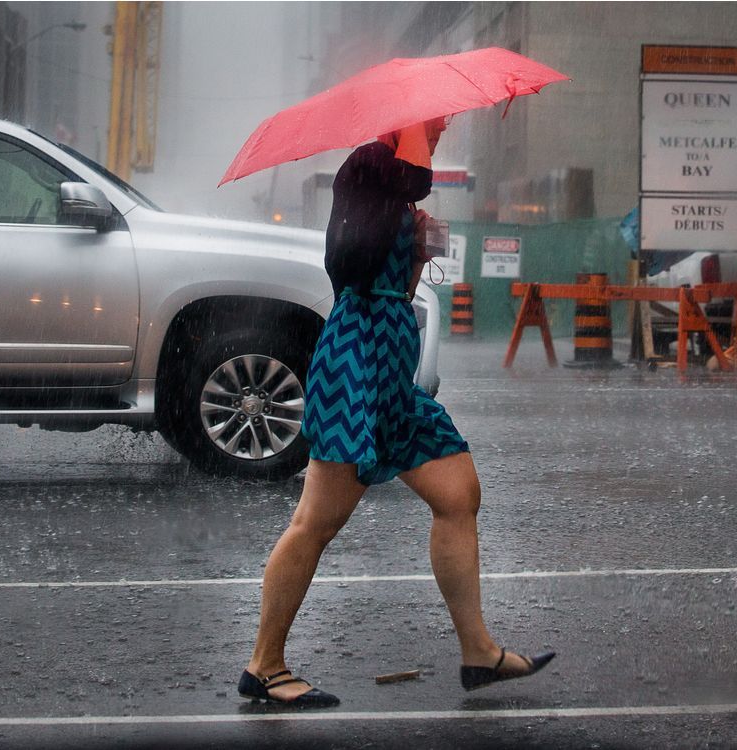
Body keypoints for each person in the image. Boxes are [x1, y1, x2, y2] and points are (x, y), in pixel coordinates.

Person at [237, 116, 555, 708]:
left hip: (390, 368)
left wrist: (419, 251)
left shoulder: (399, 198)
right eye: (431, 130)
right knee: (316, 522)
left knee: (458, 493)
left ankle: (478, 653)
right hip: (355, 365)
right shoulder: (365, 171)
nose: (437, 138)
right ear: (402, 129)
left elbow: (399, 293)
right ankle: (265, 666)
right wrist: (406, 219)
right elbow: (351, 269)